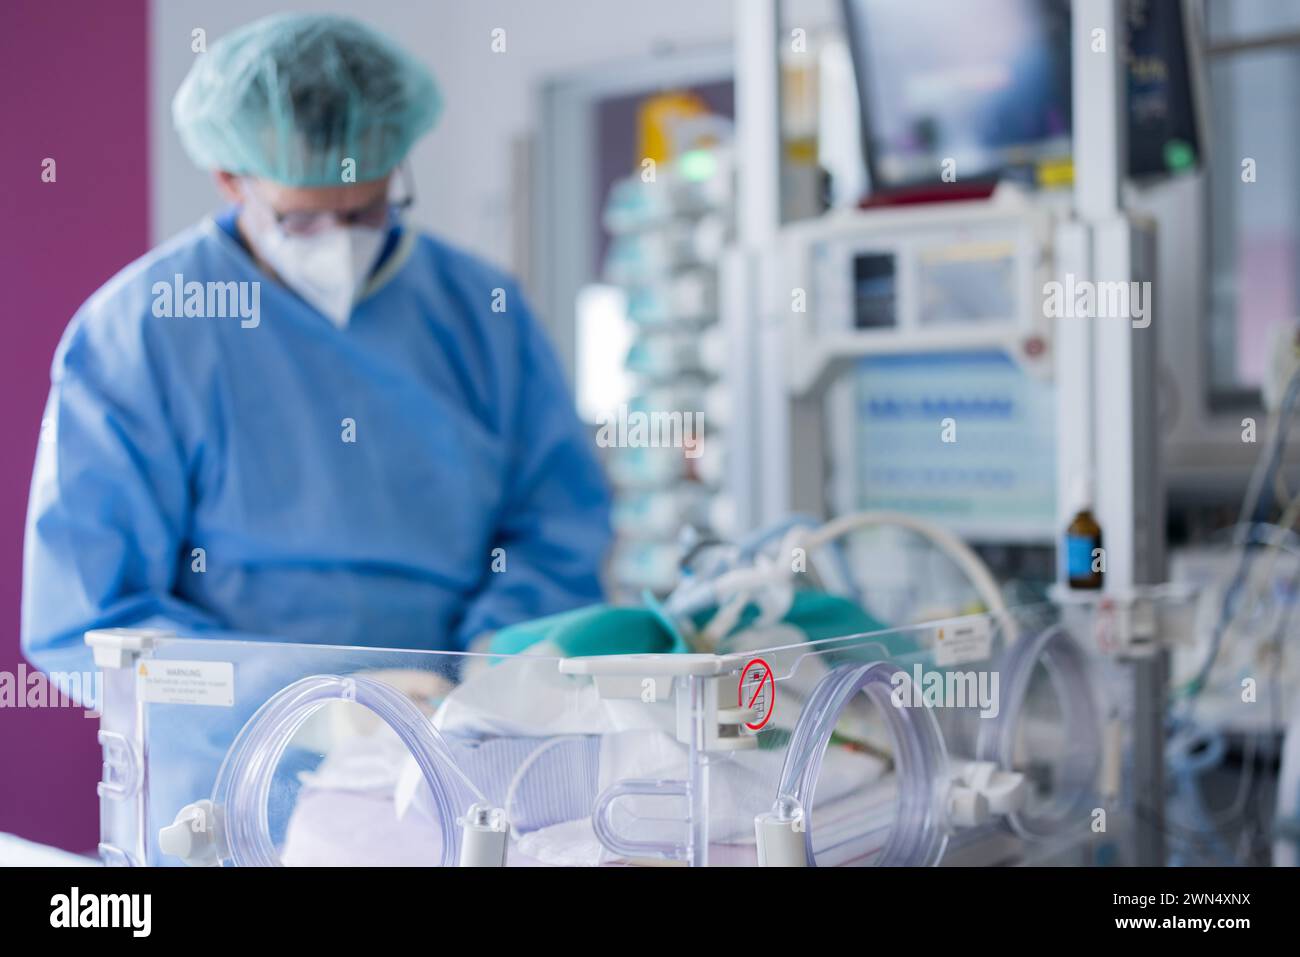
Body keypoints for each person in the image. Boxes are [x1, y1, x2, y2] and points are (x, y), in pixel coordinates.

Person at [21, 13, 612, 676]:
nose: (339, 240)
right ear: (229, 177)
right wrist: (295, 705)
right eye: (301, 218)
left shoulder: (484, 313)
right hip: (227, 763)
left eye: (364, 212)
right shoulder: (141, 331)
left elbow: (557, 525)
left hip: (458, 741)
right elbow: (89, 618)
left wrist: (495, 658)